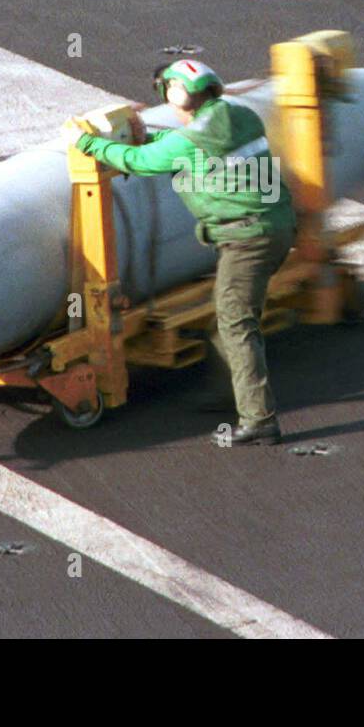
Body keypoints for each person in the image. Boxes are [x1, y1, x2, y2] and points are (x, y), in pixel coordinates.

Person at [68, 59, 296, 446]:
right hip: (276, 229)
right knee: (233, 317)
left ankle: (259, 419)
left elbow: (138, 164)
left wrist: (87, 143)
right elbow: (188, 148)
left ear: (178, 94)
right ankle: (232, 393)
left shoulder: (190, 140)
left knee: (237, 324)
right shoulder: (239, 116)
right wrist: (147, 139)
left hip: (247, 241)